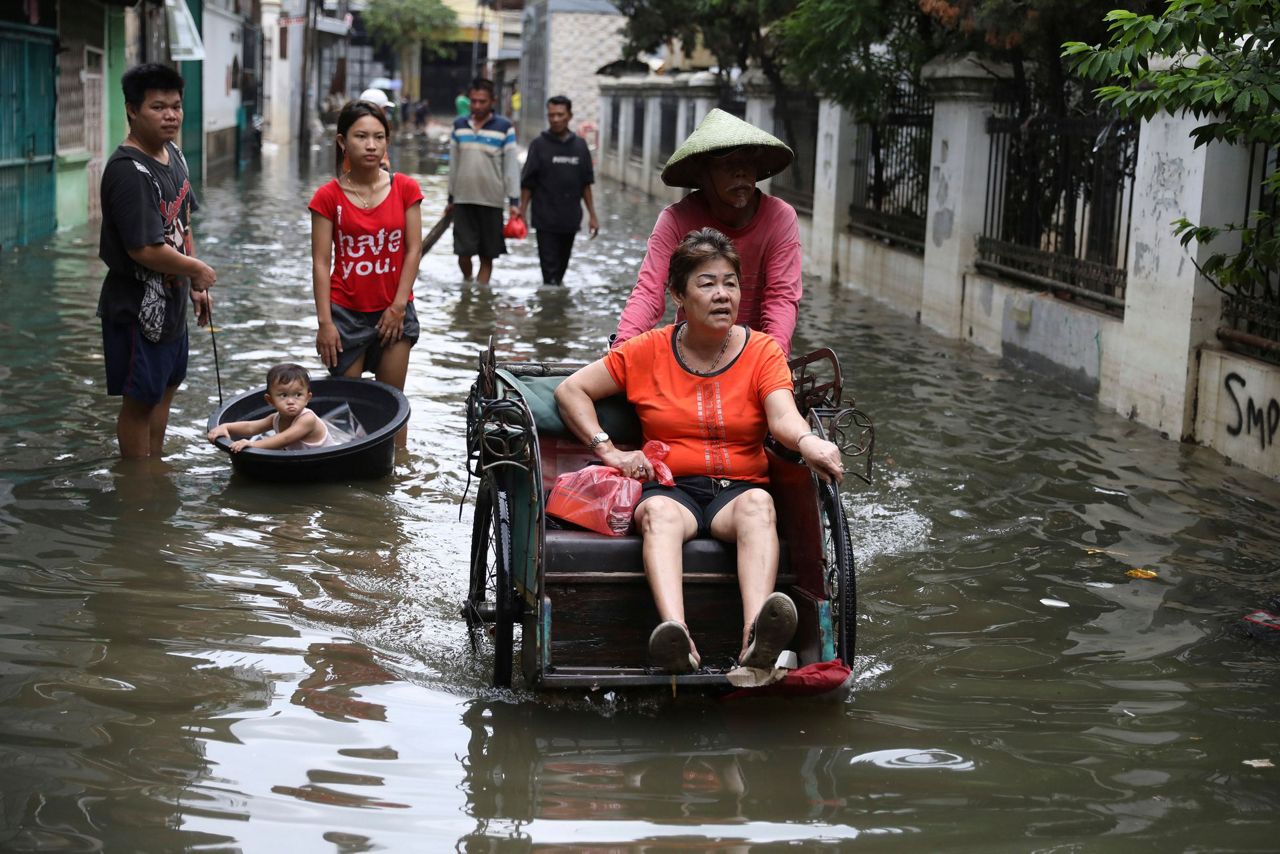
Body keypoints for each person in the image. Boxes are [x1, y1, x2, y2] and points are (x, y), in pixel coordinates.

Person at [554, 228, 844, 673]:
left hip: (739, 491)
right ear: (678, 295)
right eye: (707, 284)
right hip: (672, 489)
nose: (722, 294)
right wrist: (609, 451)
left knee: (760, 506)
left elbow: (783, 416)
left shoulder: (763, 352)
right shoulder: (647, 351)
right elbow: (571, 390)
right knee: (658, 515)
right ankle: (676, 636)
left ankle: (756, 640)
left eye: (731, 283)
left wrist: (809, 443)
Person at [612, 109, 802, 355]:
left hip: (755, 353)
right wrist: (621, 350)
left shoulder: (779, 217)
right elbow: (649, 292)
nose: (740, 172)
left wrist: (774, 359)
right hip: (693, 350)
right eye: (728, 164)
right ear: (703, 173)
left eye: (747, 162)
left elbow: (781, 298)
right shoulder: (676, 219)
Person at [97, 63, 215, 459]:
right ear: (132, 110)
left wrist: (194, 283)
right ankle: (137, 481)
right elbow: (143, 249)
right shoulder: (129, 171)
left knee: (165, 389)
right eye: (158, 107)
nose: (170, 116)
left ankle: (154, 468)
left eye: (176, 106)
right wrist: (197, 269)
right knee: (140, 402)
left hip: (173, 300)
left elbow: (183, 222)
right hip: (138, 307)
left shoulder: (174, 155)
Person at [309, 100, 423, 445]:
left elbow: (413, 249)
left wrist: (398, 306)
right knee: (347, 412)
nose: (371, 145)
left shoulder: (405, 189)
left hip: (394, 310)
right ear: (342, 141)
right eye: (361, 137)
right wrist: (325, 323)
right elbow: (320, 262)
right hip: (344, 314)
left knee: (393, 407)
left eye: (379, 137)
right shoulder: (328, 197)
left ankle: (396, 470)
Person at [446, 77, 520, 284]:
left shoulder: (504, 127)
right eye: (474, 101)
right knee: (463, 252)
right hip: (463, 199)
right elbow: (453, 165)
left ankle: (480, 294)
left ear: (492, 101)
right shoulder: (459, 126)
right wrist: (450, 198)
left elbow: (511, 167)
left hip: (492, 201)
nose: (477, 106)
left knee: (487, 254)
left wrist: (514, 202)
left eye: (482, 101)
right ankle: (468, 284)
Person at [519, 95, 599, 285]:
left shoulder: (580, 146)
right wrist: (522, 212)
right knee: (549, 272)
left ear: (569, 116)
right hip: (544, 219)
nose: (555, 119)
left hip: (570, 219)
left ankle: (556, 297)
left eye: (560, 114)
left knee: (561, 269)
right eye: (551, 115)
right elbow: (528, 183)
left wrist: (592, 215)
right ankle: (550, 300)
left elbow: (586, 184)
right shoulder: (539, 145)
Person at [207, 364, 338, 452]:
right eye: (283, 395)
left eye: (298, 395)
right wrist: (226, 427)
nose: (291, 401)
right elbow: (251, 427)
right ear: (270, 400)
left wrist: (252, 444)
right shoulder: (275, 418)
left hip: (329, 461)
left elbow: (284, 439)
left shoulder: (307, 419)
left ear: (307, 398)